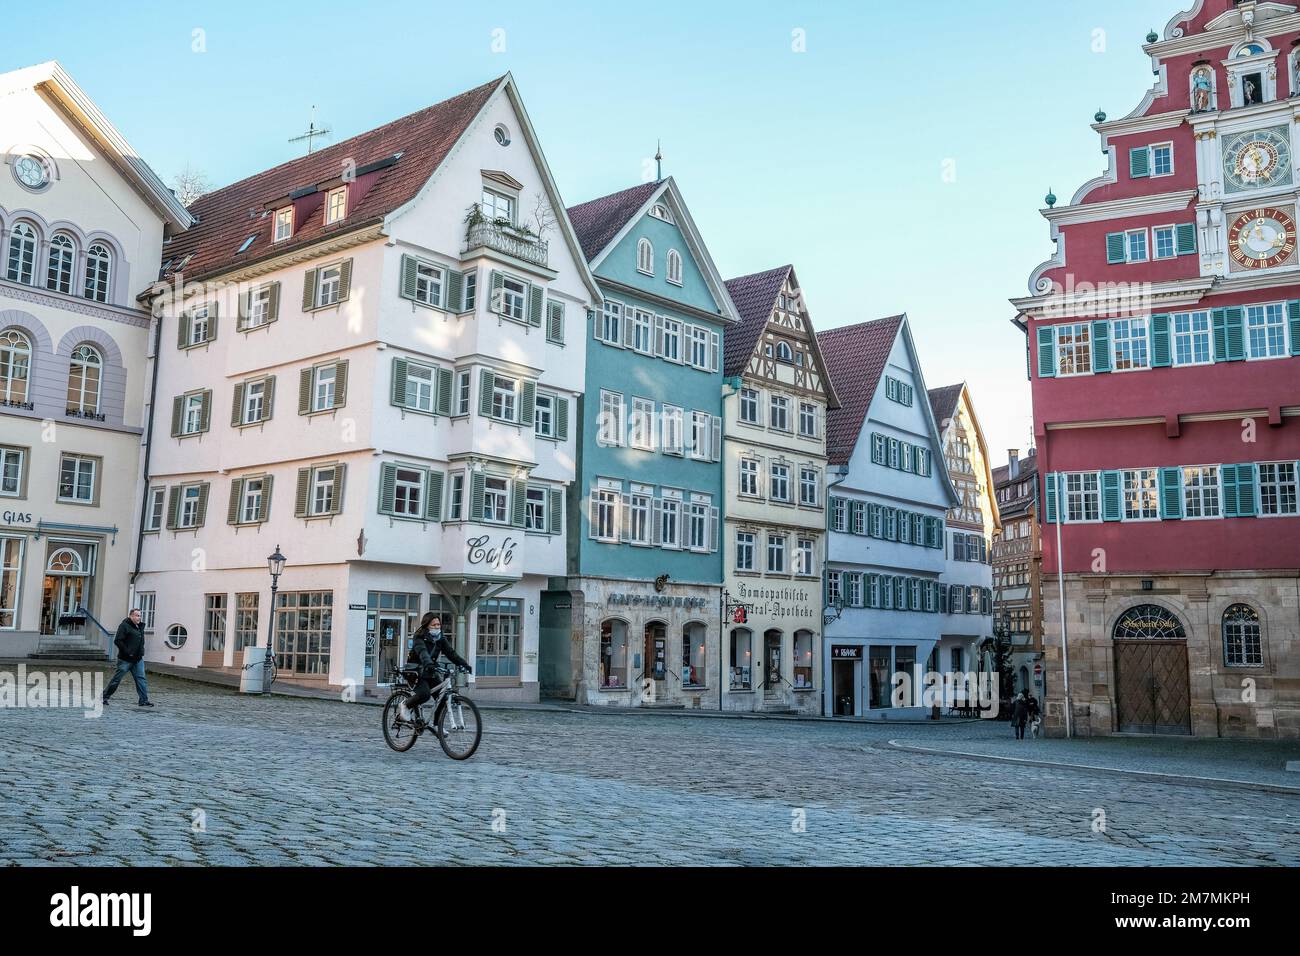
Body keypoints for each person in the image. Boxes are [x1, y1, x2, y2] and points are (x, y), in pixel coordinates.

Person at [398, 613, 471, 724]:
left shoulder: (440, 638)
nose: (437, 627)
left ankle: (437, 726)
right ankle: (405, 704)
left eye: (438, 624)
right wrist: (428, 663)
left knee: (443, 698)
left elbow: (451, 653)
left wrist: (463, 664)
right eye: (434, 625)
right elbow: (422, 652)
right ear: (427, 625)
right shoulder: (419, 637)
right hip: (416, 672)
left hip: (429, 671)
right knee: (424, 694)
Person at [102, 608, 154, 707]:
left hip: (138, 659)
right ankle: (104, 697)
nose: (139, 617)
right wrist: (128, 652)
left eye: (140, 615)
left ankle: (143, 700)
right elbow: (118, 640)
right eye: (137, 615)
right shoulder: (124, 626)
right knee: (117, 679)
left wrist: (141, 652)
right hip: (125, 659)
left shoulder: (139, 627)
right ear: (131, 616)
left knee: (141, 679)